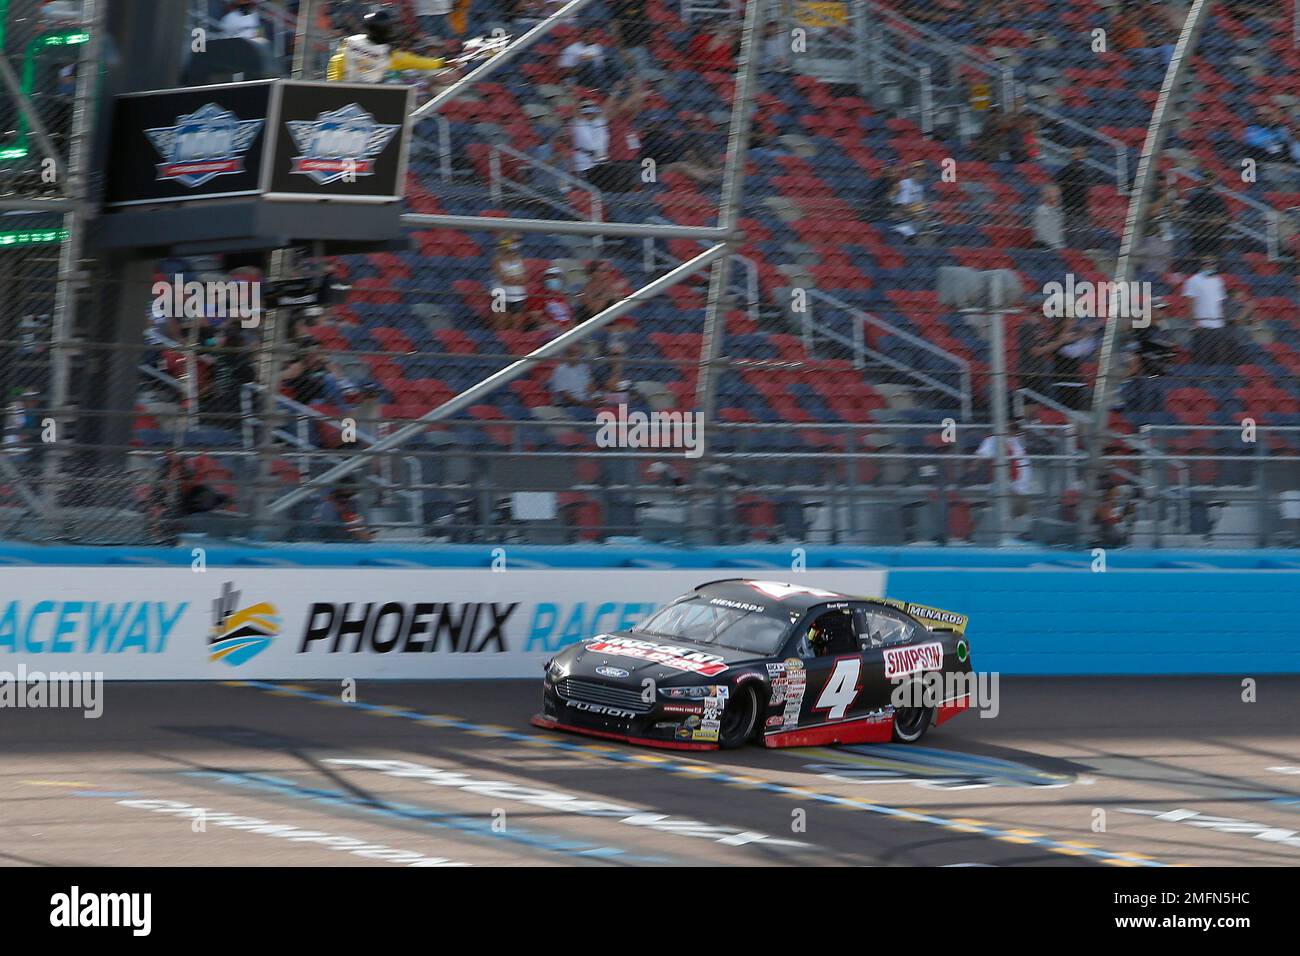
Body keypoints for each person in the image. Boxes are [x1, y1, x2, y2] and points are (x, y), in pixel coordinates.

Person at [327, 4, 446, 83]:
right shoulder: (387, 53)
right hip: (363, 92)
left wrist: (333, 85)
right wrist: (442, 63)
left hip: (351, 89)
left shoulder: (351, 41)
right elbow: (418, 62)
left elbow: (336, 62)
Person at [1182, 256, 1231, 365]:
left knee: (1220, 358)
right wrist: (1194, 322)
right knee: (1203, 357)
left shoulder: (1218, 280)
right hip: (1202, 324)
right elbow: (1190, 302)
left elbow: (1221, 302)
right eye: (1207, 263)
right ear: (1202, 264)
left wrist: (1223, 320)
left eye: (1213, 263)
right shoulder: (1193, 280)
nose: (1210, 265)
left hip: (1218, 324)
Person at [1053, 147, 1093, 247]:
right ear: (1072, 156)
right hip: (1070, 207)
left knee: (1083, 235)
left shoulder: (1085, 172)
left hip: (1082, 208)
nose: (1079, 157)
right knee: (1073, 236)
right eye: (1076, 154)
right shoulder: (1065, 171)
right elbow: (1057, 186)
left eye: (1081, 154)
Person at [1033, 184, 1066, 250]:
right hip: (1045, 245)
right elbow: (1042, 232)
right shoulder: (1041, 210)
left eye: (1058, 193)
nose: (1057, 195)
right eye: (1054, 193)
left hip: (1059, 244)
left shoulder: (1059, 210)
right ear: (1046, 195)